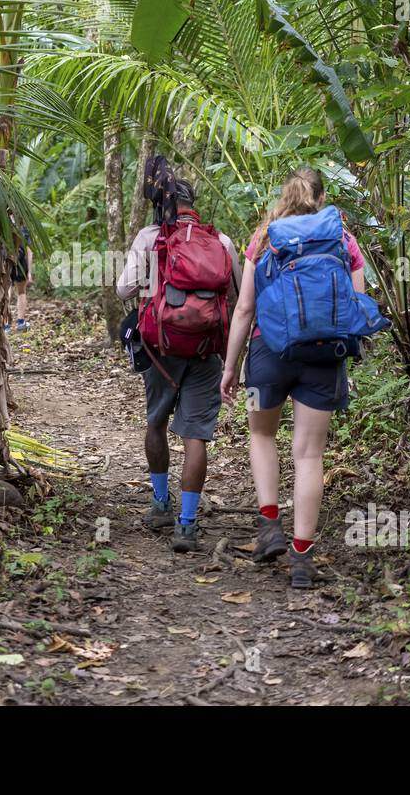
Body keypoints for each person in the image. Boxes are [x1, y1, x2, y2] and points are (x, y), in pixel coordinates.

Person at [219, 168, 367, 588]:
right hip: (323, 357)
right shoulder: (342, 239)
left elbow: (244, 309)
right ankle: (302, 560)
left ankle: (270, 527)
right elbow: (355, 304)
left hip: (267, 355)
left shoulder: (263, 237)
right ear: (321, 198)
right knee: (309, 455)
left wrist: (231, 368)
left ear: (285, 195)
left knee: (260, 434)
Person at [116, 178, 241, 552]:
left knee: (155, 421)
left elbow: (123, 290)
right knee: (195, 436)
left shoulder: (149, 237)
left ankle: (159, 505)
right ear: (193, 204)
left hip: (159, 350)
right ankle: (186, 525)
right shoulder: (221, 242)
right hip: (206, 352)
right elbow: (235, 297)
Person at [8, 216, 32, 332]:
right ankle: (21, 322)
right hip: (21, 261)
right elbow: (29, 251)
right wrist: (29, 272)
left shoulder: (4, 225)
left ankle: (5, 324)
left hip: (6, 259)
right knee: (21, 291)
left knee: (7, 289)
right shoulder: (24, 228)